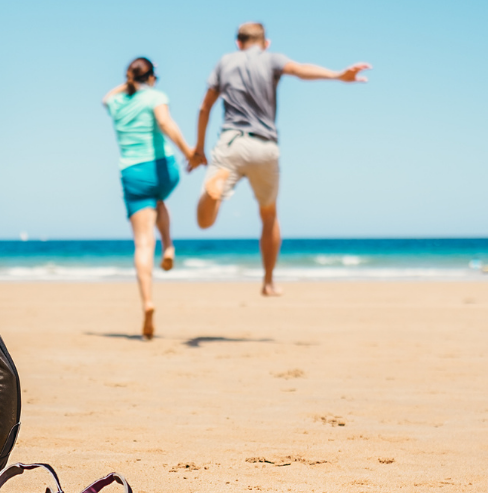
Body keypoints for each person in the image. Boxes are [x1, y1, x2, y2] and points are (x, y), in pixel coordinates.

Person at [188, 22, 371, 296]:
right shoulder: (272, 59)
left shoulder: (225, 62)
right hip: (265, 146)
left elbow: (205, 107)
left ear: (238, 42)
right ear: (266, 43)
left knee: (204, 221)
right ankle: (268, 282)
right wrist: (336, 75)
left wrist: (199, 149)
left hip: (231, 142)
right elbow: (300, 70)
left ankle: (213, 193)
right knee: (269, 215)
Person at [103, 57, 194, 340]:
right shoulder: (155, 95)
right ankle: (168, 245)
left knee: (143, 244)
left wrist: (130, 80)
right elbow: (166, 123)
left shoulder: (117, 103)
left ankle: (148, 303)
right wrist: (189, 152)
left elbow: (106, 97)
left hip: (133, 173)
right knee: (159, 200)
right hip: (162, 167)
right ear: (152, 77)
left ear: (129, 76)